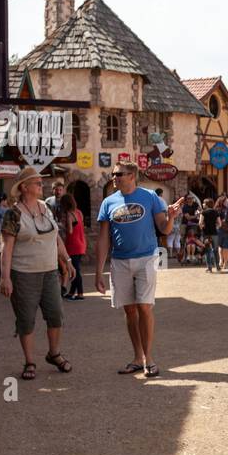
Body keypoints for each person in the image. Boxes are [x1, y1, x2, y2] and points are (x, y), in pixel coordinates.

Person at [95, 162, 182, 378]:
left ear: (132, 175)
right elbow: (104, 238)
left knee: (144, 307)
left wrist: (171, 216)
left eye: (119, 174)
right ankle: (137, 358)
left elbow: (163, 229)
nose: (114, 177)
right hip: (120, 261)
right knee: (130, 310)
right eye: (113, 174)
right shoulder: (108, 202)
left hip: (146, 258)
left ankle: (149, 359)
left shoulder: (150, 197)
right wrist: (98, 271)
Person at [0, 168, 76, 379]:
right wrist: (5, 277)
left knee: (56, 315)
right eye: (38, 183)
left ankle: (54, 353)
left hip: (49, 272)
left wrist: (66, 260)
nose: (42, 186)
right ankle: (30, 361)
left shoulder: (46, 208)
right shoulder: (13, 213)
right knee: (26, 319)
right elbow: (7, 248)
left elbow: (56, 237)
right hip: (23, 274)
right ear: (24, 187)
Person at [60, 192, 87, 299]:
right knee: (76, 268)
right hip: (81, 242)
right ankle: (71, 292)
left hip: (73, 244)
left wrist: (62, 226)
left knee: (75, 270)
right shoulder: (79, 212)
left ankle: (80, 293)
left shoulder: (69, 214)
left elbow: (70, 231)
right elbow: (81, 226)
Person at [199, 198, 223, 272]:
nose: (203, 204)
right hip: (214, 233)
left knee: (208, 251)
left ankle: (209, 268)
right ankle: (217, 267)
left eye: (204, 203)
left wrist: (202, 228)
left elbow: (200, 223)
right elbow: (220, 223)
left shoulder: (203, 212)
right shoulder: (216, 212)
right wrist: (215, 227)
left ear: (206, 204)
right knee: (215, 250)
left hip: (206, 234)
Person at [214, 196, 228, 272]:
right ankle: (225, 263)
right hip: (227, 229)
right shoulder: (227, 209)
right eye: (226, 201)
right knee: (227, 246)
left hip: (218, 230)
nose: (227, 202)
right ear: (223, 202)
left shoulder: (216, 209)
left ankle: (220, 261)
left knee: (220, 245)